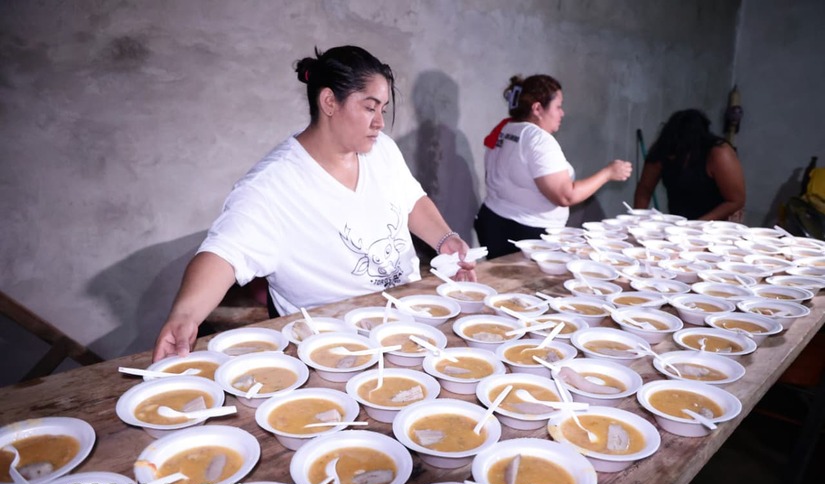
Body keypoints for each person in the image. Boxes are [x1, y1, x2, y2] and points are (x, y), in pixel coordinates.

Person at [153, 45, 475, 361]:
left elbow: (411, 201)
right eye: (369, 107)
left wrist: (445, 239)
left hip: (406, 323)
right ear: (329, 102)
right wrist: (185, 316)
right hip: (330, 345)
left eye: (383, 109)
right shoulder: (272, 185)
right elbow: (222, 256)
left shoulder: (383, 151)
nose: (379, 122)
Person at [475, 74, 632, 259]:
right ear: (537, 108)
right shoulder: (538, 139)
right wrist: (608, 173)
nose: (562, 113)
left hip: (494, 223)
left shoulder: (506, 129)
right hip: (527, 235)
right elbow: (565, 195)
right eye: (558, 106)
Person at [633, 109, 746, 221]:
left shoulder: (719, 153)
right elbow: (645, 189)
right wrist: (638, 220)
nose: (674, 157)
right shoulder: (664, 149)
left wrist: (696, 225)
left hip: (716, 225)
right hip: (679, 222)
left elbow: (736, 200)